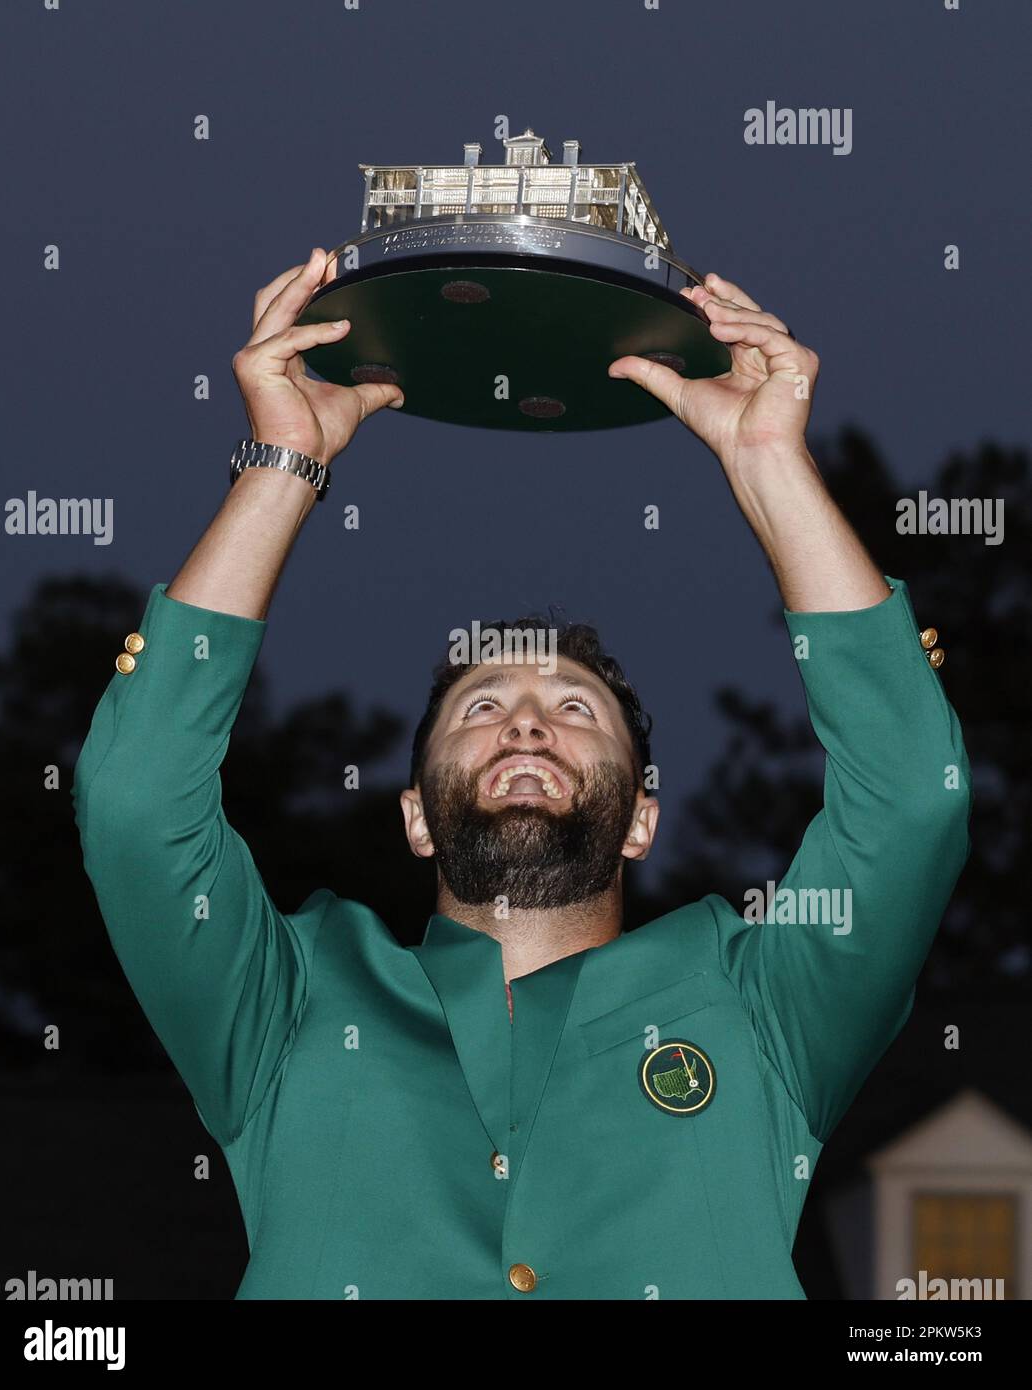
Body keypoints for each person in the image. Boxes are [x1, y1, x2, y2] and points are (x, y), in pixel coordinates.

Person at [72, 250, 971, 1299]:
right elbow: (137, 802)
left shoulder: (761, 1003)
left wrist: (767, 460)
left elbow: (911, 799)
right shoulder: (288, 999)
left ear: (641, 816)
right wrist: (284, 460)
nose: (527, 726)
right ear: (414, 814)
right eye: (483, 708)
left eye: (573, 710)